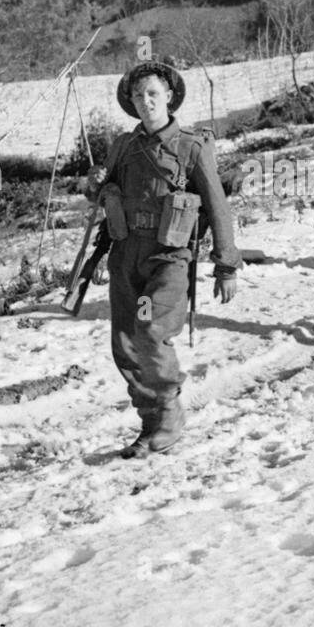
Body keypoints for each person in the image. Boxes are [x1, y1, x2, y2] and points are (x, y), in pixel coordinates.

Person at [84, 61, 240, 458]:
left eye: (153, 94)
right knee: (126, 345)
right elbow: (106, 190)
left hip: (169, 255)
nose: (145, 102)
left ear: (169, 96)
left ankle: (169, 417)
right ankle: (152, 423)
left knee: (150, 330)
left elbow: (218, 207)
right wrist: (98, 189)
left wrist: (225, 266)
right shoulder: (124, 145)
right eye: (138, 96)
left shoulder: (191, 146)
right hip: (126, 253)